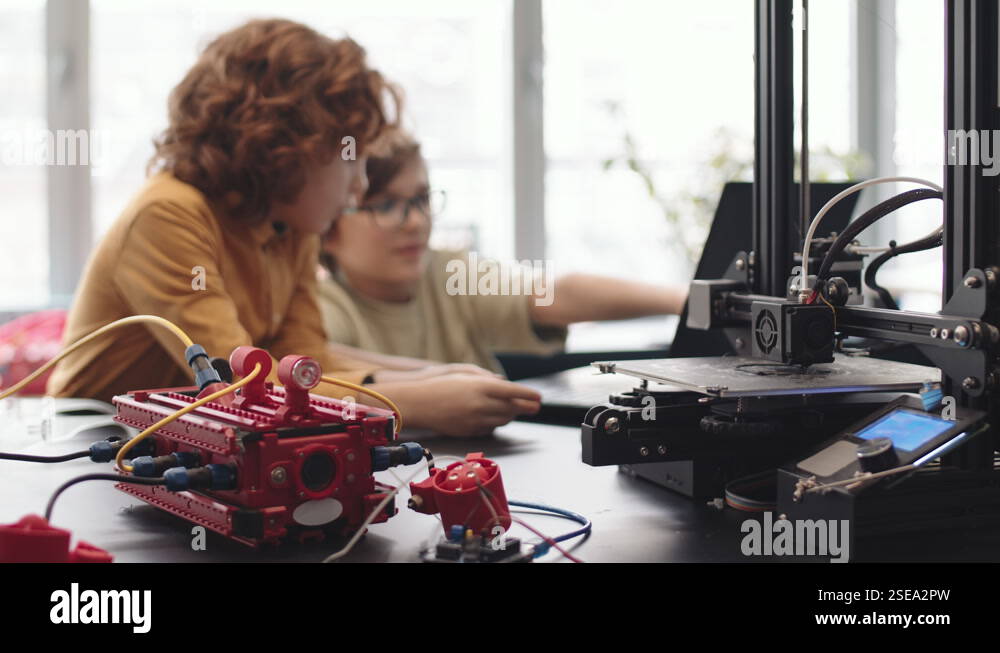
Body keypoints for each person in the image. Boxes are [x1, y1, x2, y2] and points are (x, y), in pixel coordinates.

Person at [46, 19, 540, 437]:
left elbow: (302, 364)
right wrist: (416, 401)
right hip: (91, 439)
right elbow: (241, 389)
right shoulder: (167, 215)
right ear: (289, 150)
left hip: (184, 436)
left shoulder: (292, 225)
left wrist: (432, 377)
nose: (359, 186)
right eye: (352, 162)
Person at [318, 130, 688, 375]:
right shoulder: (320, 308)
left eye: (421, 199)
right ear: (327, 226)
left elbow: (554, 295)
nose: (415, 222)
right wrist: (443, 384)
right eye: (384, 206)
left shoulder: (449, 273)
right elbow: (316, 368)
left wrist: (684, 300)